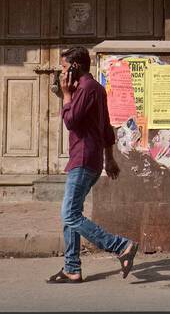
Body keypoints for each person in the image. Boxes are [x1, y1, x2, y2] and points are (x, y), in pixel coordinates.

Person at [47, 46, 139, 283]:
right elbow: (106, 128)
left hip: (84, 158)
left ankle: (120, 246)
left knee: (69, 214)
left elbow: (71, 120)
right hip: (90, 159)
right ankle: (72, 268)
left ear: (76, 66)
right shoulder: (94, 89)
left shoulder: (86, 89)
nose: (62, 73)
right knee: (71, 214)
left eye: (65, 67)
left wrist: (66, 96)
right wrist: (109, 159)